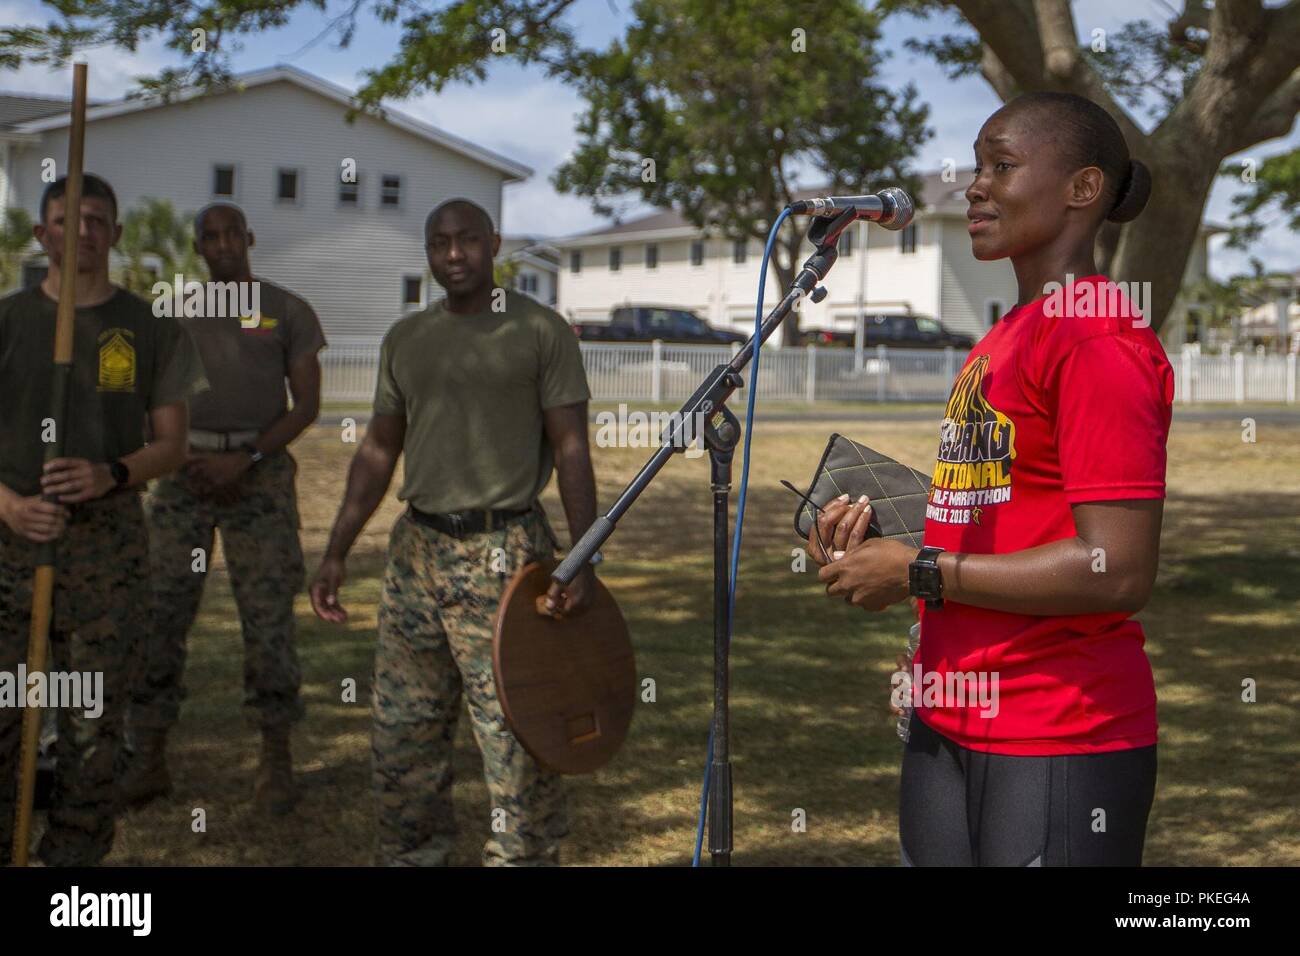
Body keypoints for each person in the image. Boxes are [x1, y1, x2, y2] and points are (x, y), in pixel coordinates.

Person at [808, 92, 1172, 866]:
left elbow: (1117, 571)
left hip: (1058, 730)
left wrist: (921, 572)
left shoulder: (1096, 339)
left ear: (1082, 188)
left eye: (1000, 166)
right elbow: (999, 517)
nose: (974, 186)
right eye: (977, 166)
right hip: (949, 717)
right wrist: (884, 552)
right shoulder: (1006, 336)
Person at [309, 198, 599, 866]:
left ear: (494, 243)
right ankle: (415, 854)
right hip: (418, 555)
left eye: (468, 239)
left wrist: (583, 558)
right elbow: (380, 450)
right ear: (428, 253)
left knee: (517, 740)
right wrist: (335, 551)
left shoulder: (540, 331)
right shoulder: (405, 340)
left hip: (508, 556)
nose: (455, 254)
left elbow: (573, 447)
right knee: (403, 737)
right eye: (439, 243)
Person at [0, 173, 207, 865]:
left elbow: (172, 445)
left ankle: (72, 874)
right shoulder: (8, 322)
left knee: (91, 727)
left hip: (109, 551)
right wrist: (10, 505)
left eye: (96, 220)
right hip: (10, 546)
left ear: (115, 234)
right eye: (67, 219)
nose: (82, 231)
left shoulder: (149, 329)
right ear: (43, 234)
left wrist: (109, 473)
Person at [121, 202, 326, 816]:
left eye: (232, 232)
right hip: (182, 478)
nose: (222, 244)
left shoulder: (287, 310)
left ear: (250, 238)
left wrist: (248, 459)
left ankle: (275, 761)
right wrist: (169, 452)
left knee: (266, 621)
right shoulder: (174, 309)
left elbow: (306, 405)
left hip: (256, 480)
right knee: (160, 614)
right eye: (209, 236)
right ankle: (149, 757)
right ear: (199, 247)